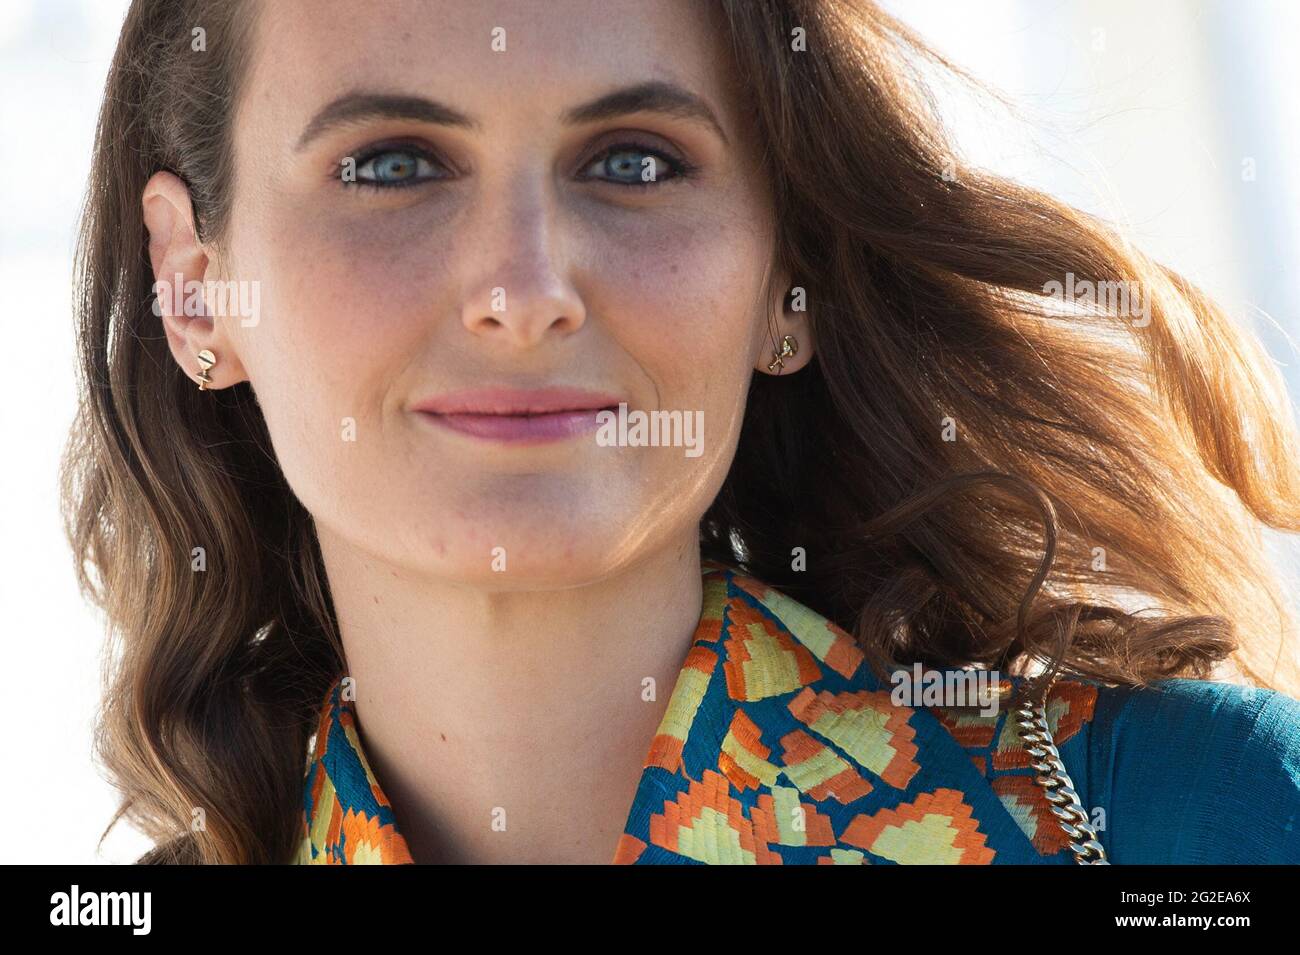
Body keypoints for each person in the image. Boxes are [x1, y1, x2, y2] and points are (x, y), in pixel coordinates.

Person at [63, 0, 1300, 865]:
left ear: (786, 278)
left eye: (635, 163)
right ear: (193, 287)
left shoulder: (1202, 822)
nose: (525, 285)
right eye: (392, 165)